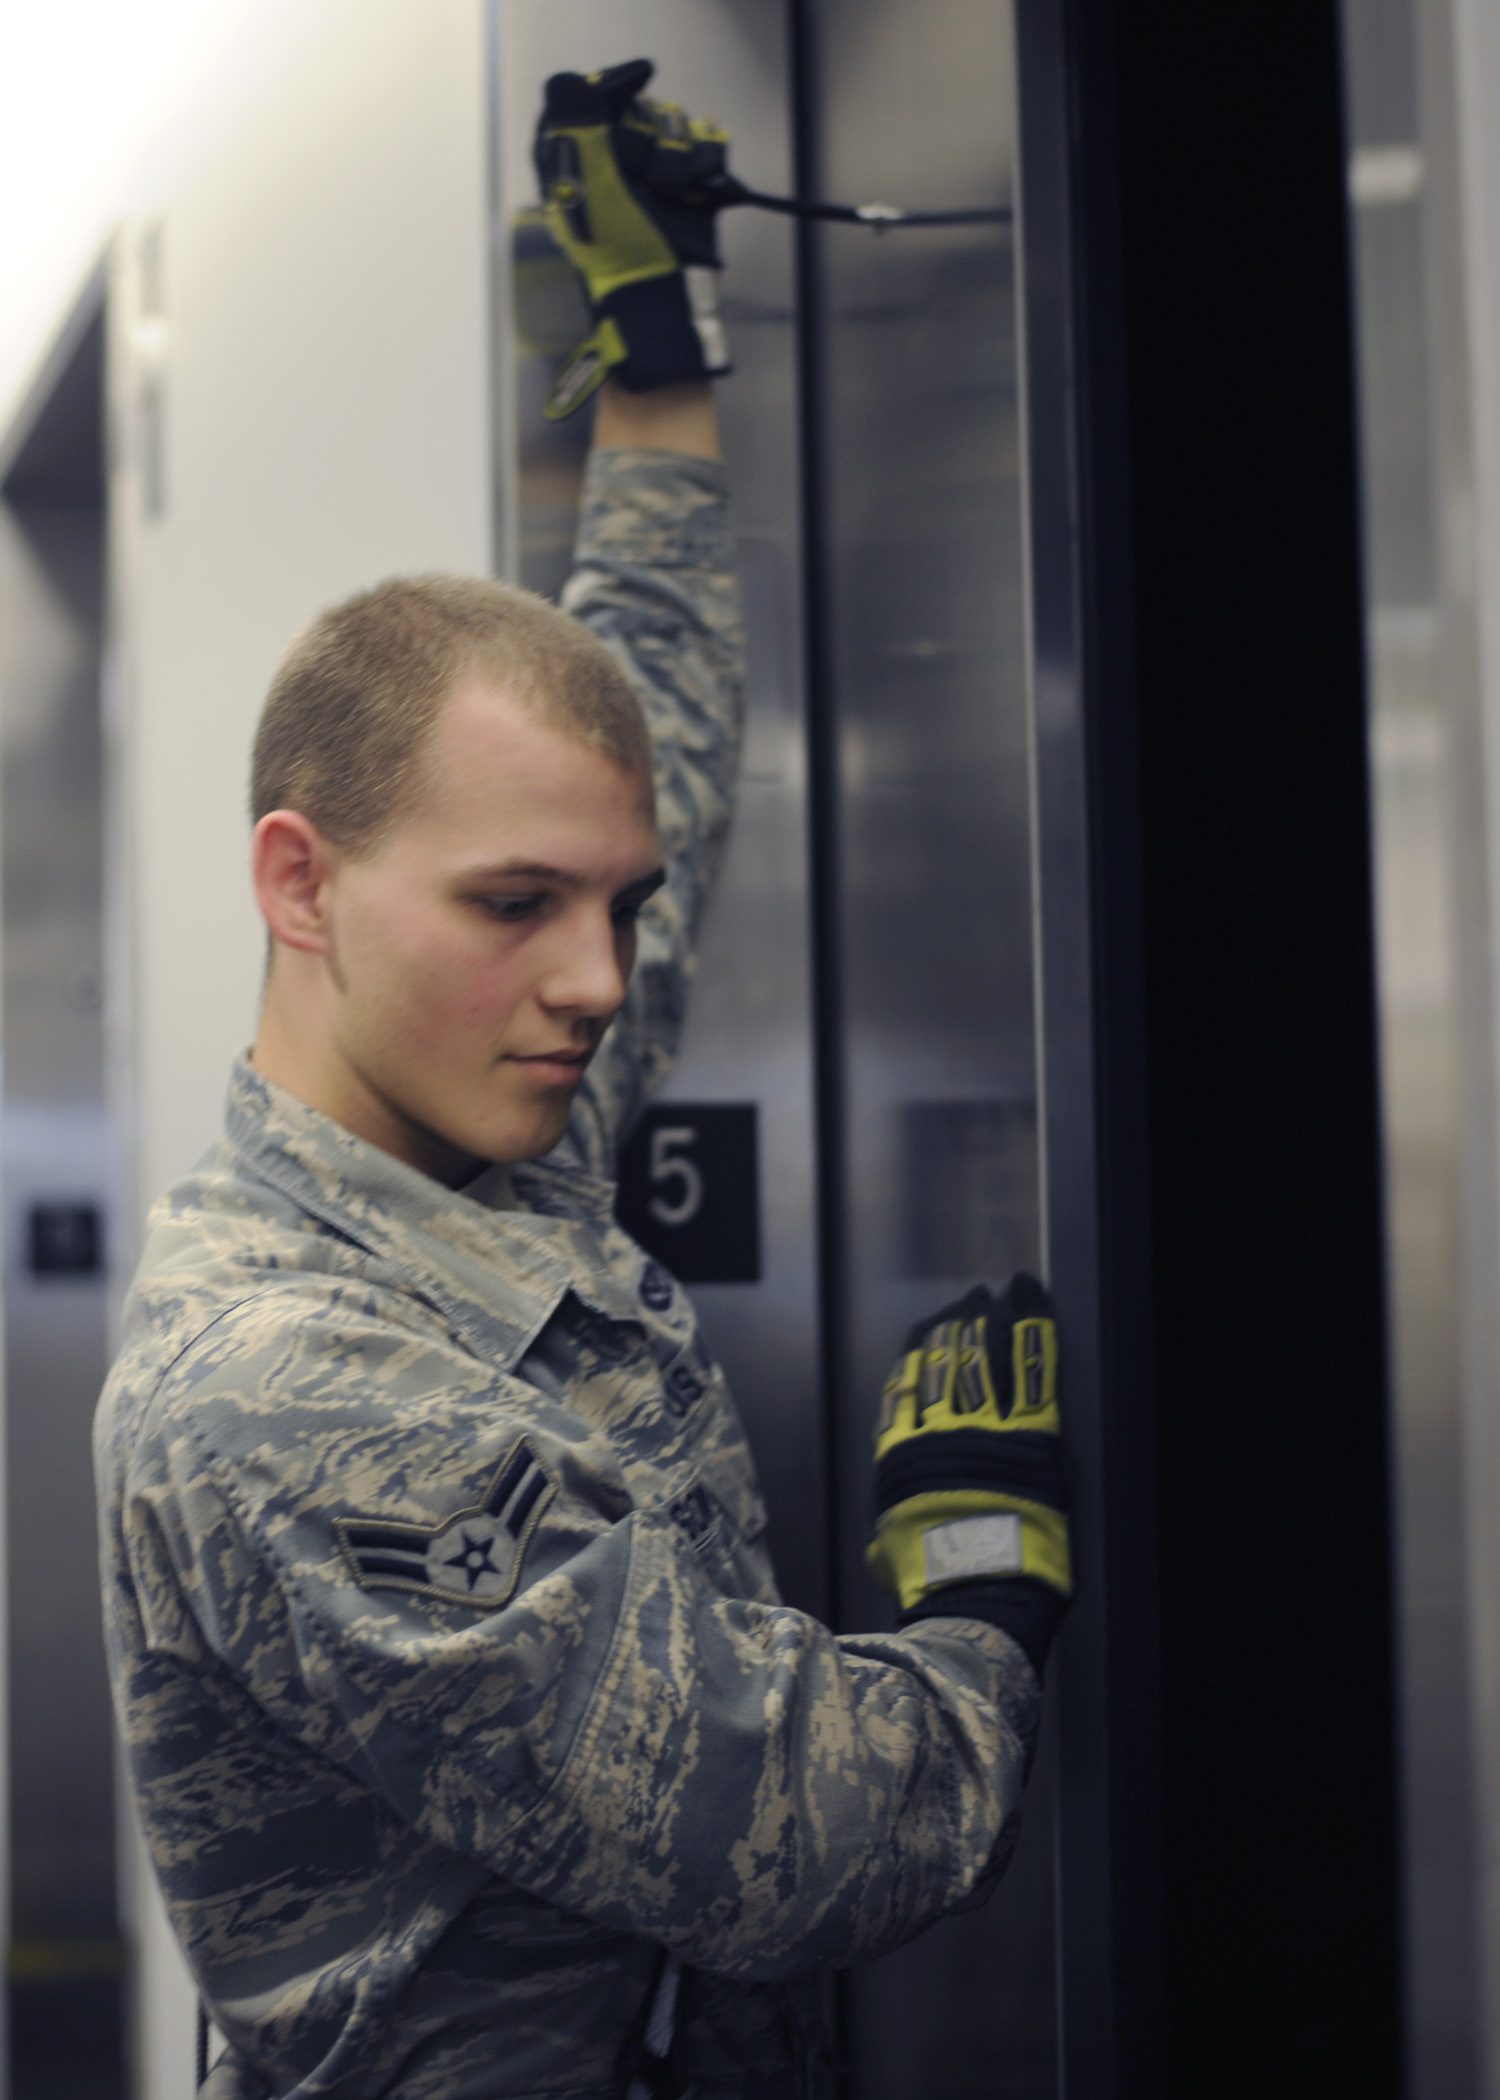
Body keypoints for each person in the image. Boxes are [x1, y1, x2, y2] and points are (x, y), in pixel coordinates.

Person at [94, 63, 1070, 2100]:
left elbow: (658, 722)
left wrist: (653, 343)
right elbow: (805, 1840)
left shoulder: (475, 1133)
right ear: (301, 882)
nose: (600, 981)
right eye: (521, 902)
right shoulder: (295, 1390)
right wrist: (984, 1588)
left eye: (614, 906)